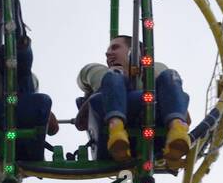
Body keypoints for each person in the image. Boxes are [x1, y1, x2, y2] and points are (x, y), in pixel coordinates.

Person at [76, 36, 190, 166]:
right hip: (119, 114)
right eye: (108, 50)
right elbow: (81, 123)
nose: (108, 53)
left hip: (153, 116)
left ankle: (177, 130)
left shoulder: (157, 71)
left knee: (170, 75)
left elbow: (185, 112)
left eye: (115, 47)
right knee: (114, 75)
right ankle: (116, 130)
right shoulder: (104, 75)